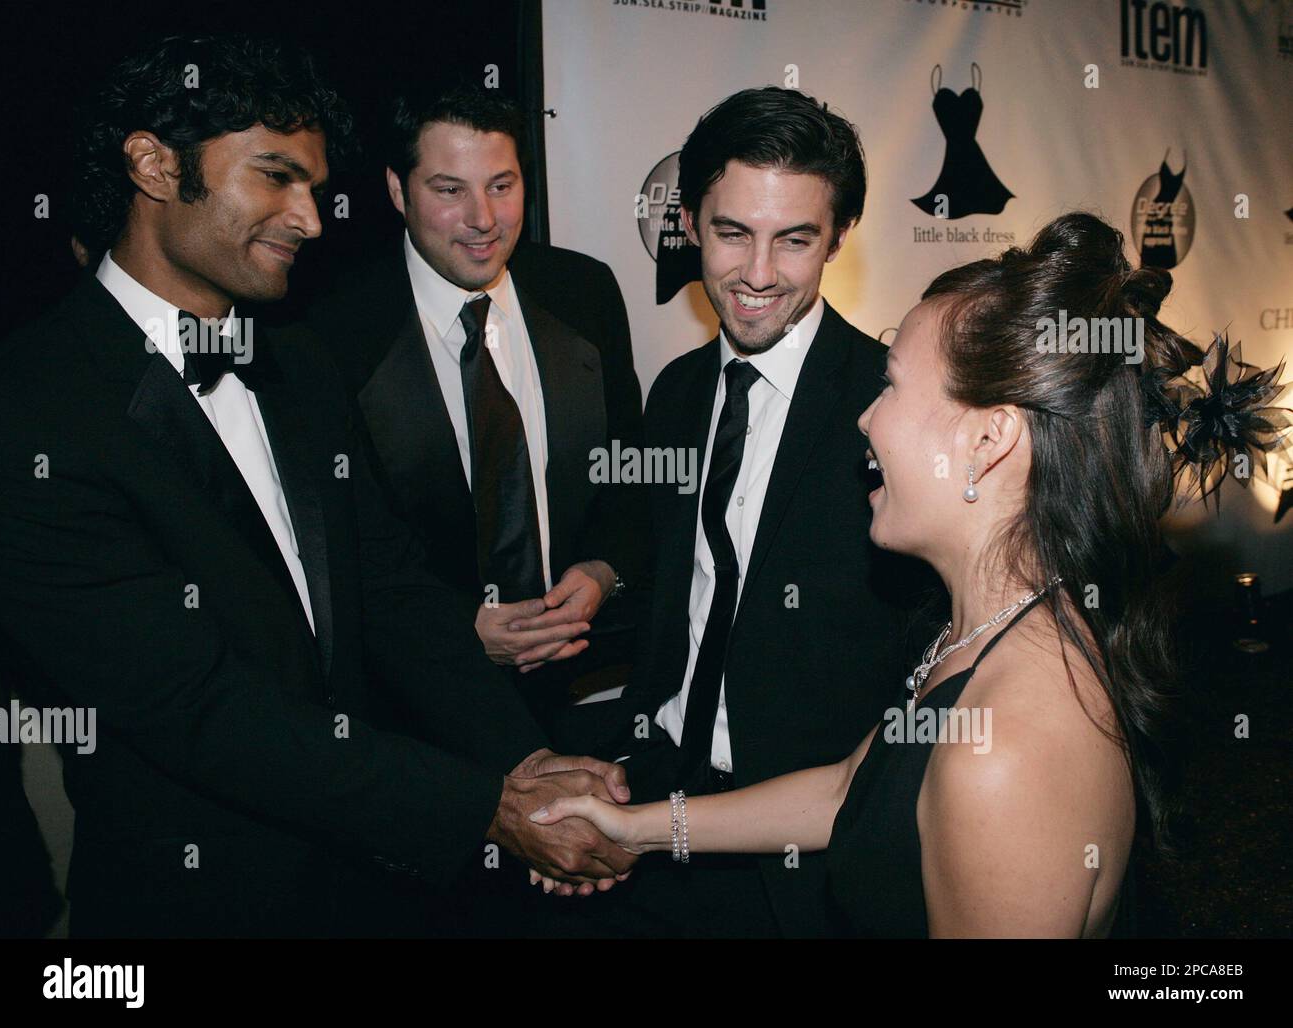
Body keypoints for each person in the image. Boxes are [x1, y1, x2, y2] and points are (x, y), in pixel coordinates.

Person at [0, 34, 633, 938]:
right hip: (196, 900)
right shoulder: (30, 407)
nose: (311, 218)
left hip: (372, 886)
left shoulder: (295, 360)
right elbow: (196, 706)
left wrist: (527, 761)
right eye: (276, 177)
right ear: (153, 164)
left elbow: (392, 587)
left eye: (314, 186)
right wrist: (487, 809)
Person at [530, 211, 1291, 937]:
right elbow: (846, 791)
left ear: (988, 441)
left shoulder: (1004, 750)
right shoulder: (982, 632)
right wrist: (636, 828)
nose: (866, 418)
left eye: (891, 384)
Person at [544, 87, 933, 938]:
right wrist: (602, 572)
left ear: (839, 237)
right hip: (657, 798)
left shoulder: (888, 407)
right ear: (688, 223)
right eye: (732, 233)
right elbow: (666, 557)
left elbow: (929, 655)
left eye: (794, 239)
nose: (758, 274)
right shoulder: (679, 391)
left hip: (809, 854)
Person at [311, 83, 645, 727]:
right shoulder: (332, 332)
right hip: (415, 707)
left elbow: (630, 468)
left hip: (583, 681)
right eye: (449, 190)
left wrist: (605, 570)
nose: (483, 218)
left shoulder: (584, 292)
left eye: (501, 185)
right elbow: (339, 542)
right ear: (397, 190)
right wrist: (459, 625)